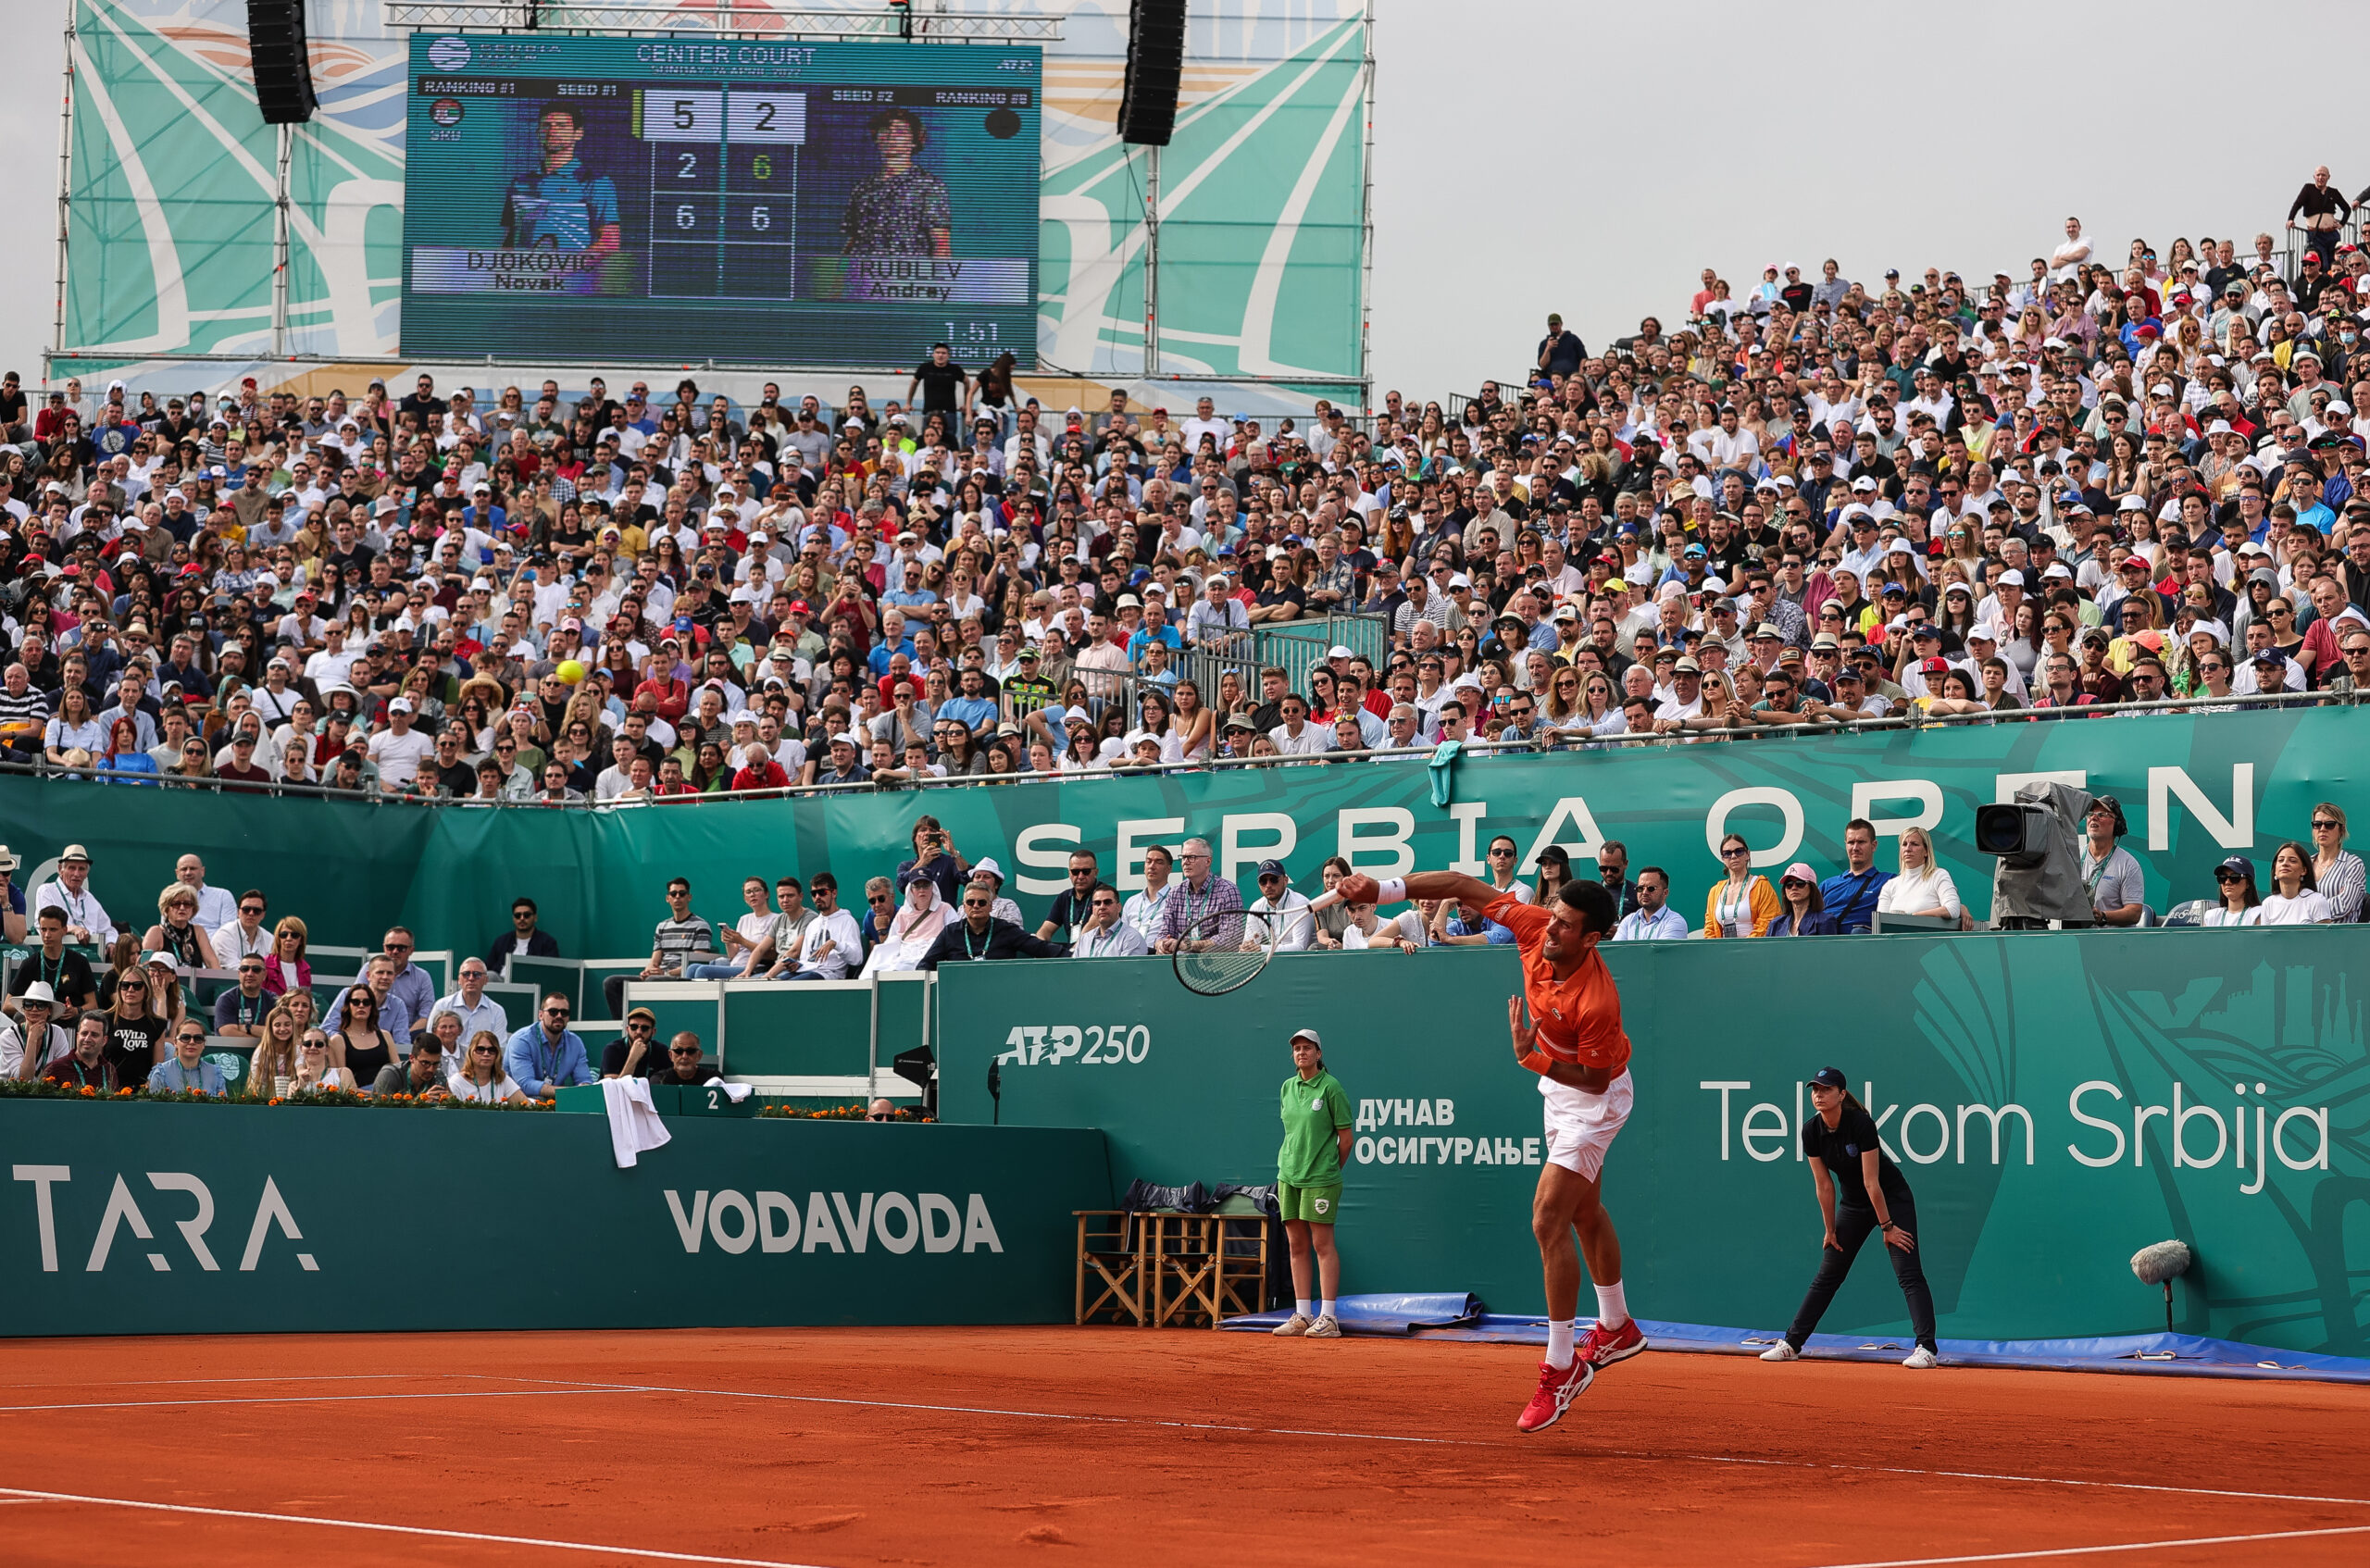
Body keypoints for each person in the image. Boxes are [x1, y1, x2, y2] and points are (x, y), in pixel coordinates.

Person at [1332, 867, 1639, 1433]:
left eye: (1566, 926)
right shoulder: (1538, 925)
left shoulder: (1596, 1000)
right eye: (1553, 917)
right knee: (1584, 1211)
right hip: (1558, 1089)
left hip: (1594, 1100)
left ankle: (1562, 1364)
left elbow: (1595, 1083)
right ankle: (1617, 1325)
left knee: (1548, 1220)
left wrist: (1534, 1058)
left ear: (1592, 938)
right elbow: (1462, 885)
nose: (1551, 931)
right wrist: (1383, 890)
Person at [1759, 1066, 1939, 1369]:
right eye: (1815, 1090)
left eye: (1826, 1089)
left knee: (1908, 1273)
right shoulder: (1810, 1131)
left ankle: (1927, 1348)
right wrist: (1830, 1230)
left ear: (1841, 1095)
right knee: (1828, 1275)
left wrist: (1889, 1228)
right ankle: (1792, 1343)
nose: (1819, 1095)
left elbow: (1872, 1182)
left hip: (1891, 1200)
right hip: (1854, 1205)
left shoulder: (1862, 1125)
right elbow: (1824, 1184)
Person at [1269, 1027, 1353, 1341]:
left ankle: (1328, 1317)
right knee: (1296, 1245)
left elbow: (1345, 1140)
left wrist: (1329, 1168)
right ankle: (1302, 1314)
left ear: (1319, 1054)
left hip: (1321, 1178)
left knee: (1322, 1245)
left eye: (1307, 1048)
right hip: (1288, 1176)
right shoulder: (1287, 1088)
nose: (1301, 1052)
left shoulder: (1331, 1088)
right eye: (1297, 1049)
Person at [502, 102, 621, 253]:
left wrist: (567, 268)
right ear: (538, 132)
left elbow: (610, 242)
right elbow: (509, 238)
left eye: (561, 126)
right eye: (546, 125)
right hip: (525, 274)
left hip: (573, 275)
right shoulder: (519, 183)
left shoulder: (596, 183)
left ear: (578, 133)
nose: (552, 131)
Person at [845, 108, 952, 257]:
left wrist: (939, 277)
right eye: (885, 130)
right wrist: (839, 276)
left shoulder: (928, 185)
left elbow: (941, 242)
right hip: (862, 273)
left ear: (914, 141)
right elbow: (853, 239)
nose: (891, 136)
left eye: (900, 132)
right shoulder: (863, 187)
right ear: (877, 138)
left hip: (907, 273)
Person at [605, 877, 717, 1015]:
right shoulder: (662, 926)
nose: (677, 897)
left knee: (653, 980)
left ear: (689, 897)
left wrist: (666, 973)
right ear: (667, 898)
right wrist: (648, 971)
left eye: (682, 894)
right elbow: (655, 959)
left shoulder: (701, 925)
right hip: (659, 976)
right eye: (673, 894)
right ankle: (625, 1026)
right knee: (611, 982)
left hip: (682, 978)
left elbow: (696, 963)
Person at [916, 883, 1059, 967]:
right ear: (964, 907)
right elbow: (925, 966)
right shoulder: (950, 933)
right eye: (971, 902)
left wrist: (1075, 957)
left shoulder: (1006, 930)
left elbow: (1040, 948)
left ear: (991, 906)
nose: (976, 906)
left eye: (982, 902)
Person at [1152, 837, 1243, 953]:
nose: (1185, 862)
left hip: (1218, 963)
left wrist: (1187, 945)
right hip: (1183, 965)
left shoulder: (1227, 891)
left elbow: (1231, 940)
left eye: (1192, 857)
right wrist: (1162, 944)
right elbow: (1164, 933)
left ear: (1208, 861)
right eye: (1183, 857)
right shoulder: (1175, 893)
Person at [13, 907, 98, 1024]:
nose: (47, 935)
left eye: (52, 930)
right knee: (20, 1017)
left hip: (69, 1019)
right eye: (43, 929)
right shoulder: (30, 963)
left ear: (64, 930)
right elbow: (7, 1005)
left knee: (89, 1020)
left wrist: (77, 1010)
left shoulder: (79, 962)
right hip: (38, 1020)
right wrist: (32, 1009)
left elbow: (93, 1005)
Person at [505, 993, 594, 1098]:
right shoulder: (522, 1040)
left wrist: (584, 1087)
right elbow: (525, 1084)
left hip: (555, 1102)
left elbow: (584, 1080)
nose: (559, 1016)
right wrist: (569, 1092)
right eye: (553, 1012)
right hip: (518, 1103)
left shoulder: (575, 1042)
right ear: (541, 1015)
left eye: (564, 1012)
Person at [2079, 795, 2146, 927]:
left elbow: (2134, 912)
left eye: (2102, 814)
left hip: (2112, 942)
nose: (2093, 817)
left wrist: (2103, 916)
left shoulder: (2128, 864)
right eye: (2090, 814)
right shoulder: (2072, 856)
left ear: (2117, 825)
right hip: (2075, 940)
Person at [31, 843, 115, 947]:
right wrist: (73, 929)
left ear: (86, 873)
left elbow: (108, 930)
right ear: (60, 869)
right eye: (72, 868)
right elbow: (46, 925)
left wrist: (110, 943)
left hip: (91, 956)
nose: (76, 874)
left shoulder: (89, 898)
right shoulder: (47, 891)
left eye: (81, 869)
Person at [1816, 819, 1891, 934]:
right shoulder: (1827, 885)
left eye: (1861, 842)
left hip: (1862, 947)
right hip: (1825, 946)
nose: (1855, 848)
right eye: (1851, 842)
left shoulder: (1888, 881)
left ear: (1874, 845)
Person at [1873, 828, 1962, 924]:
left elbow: (1952, 910)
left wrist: (1914, 917)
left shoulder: (1938, 875)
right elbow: (1881, 923)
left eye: (1914, 844)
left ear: (1926, 851)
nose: (1908, 849)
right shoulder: (1890, 886)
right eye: (1904, 844)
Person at [786, 872, 864, 980]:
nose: (817, 897)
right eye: (814, 893)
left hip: (830, 975)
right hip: (809, 971)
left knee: (790, 986)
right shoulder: (812, 924)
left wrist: (835, 944)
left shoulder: (848, 921)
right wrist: (798, 965)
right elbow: (805, 959)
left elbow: (857, 958)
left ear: (834, 893)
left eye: (822, 892)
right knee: (776, 984)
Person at [1703, 832, 1778, 939]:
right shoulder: (1715, 891)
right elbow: (1710, 927)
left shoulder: (1761, 885)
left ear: (1747, 855)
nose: (1733, 856)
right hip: (1722, 952)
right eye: (1727, 853)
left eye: (1739, 851)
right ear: (1723, 859)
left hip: (1756, 950)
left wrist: (1744, 947)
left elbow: (1768, 922)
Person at [3, 982, 74, 1081]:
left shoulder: (57, 1033)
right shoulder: (8, 1036)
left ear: (49, 1010)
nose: (34, 1009)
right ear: (23, 1009)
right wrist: (32, 1039)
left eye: (41, 1005)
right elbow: (23, 1079)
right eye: (28, 1004)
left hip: (45, 1092)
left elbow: (64, 1071)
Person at [1241, 860, 1316, 952]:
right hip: (1273, 961)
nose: (1268, 885)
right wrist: (1247, 948)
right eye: (1263, 881)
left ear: (1285, 880)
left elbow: (1300, 948)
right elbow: (1250, 944)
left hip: (1303, 962)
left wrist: (1261, 948)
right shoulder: (1256, 908)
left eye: (1274, 880)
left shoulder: (1300, 904)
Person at [429, 958, 508, 1046]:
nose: (471, 978)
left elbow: (499, 1047)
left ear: (486, 980)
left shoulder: (497, 1011)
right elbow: (430, 1041)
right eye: (466, 974)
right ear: (459, 979)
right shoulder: (442, 1006)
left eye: (477, 974)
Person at [330, 983, 394, 1090]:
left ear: (371, 1006)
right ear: (348, 1006)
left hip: (388, 1093)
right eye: (355, 1002)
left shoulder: (385, 1035)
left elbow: (397, 1070)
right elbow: (341, 1082)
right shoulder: (338, 1040)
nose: (361, 1006)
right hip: (359, 1096)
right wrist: (372, 1095)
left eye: (366, 1002)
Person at [2307, 803, 2364, 923]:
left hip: (2341, 937)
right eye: (2317, 824)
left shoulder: (2353, 863)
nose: (2322, 829)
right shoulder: (2306, 864)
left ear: (2341, 829)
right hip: (2308, 937)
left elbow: (2343, 905)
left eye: (2329, 825)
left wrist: (2305, 910)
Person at [2259, 840, 2334, 925]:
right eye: (2281, 860)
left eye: (2293, 861)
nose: (2285, 864)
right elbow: (2265, 937)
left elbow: (2324, 937)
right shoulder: (2268, 903)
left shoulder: (2317, 900)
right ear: (2275, 870)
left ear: (2304, 870)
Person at [147, 1019, 228, 1095]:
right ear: (175, 1042)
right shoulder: (161, 1072)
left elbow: (223, 1108)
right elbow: (154, 1107)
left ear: (204, 1044)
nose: (192, 1042)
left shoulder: (215, 1072)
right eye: (185, 1037)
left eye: (198, 1038)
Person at [453, 1027, 531, 1104]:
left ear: (497, 1054)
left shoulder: (502, 1079)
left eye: (492, 1050)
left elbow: (527, 1106)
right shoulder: (457, 1082)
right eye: (480, 1049)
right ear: (471, 1053)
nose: (486, 1054)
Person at [245, 1001, 306, 1099]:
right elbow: (257, 1084)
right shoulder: (262, 1052)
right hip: (267, 1101)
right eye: (277, 1025)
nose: (282, 1029)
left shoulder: (298, 1050)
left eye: (287, 1024)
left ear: (293, 1026)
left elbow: (300, 1066)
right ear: (270, 1028)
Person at [41, 1014, 116, 1092]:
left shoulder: (109, 1070)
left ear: (104, 1041)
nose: (87, 1039)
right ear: (77, 1036)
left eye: (94, 1035)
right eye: (84, 1033)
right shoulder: (55, 1068)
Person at [488, 895, 561, 977]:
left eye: (526, 915)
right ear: (513, 919)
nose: (522, 918)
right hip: (501, 984)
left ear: (535, 917)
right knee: (489, 976)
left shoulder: (547, 942)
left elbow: (552, 972)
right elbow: (488, 967)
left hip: (531, 984)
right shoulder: (501, 941)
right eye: (518, 915)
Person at [1071, 883, 1149, 957]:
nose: (1102, 907)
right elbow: (1074, 969)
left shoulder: (1132, 938)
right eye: (1097, 903)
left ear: (1119, 907)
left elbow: (1128, 970)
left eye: (1107, 902)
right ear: (1093, 909)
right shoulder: (1084, 939)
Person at [1610, 866, 1687, 940]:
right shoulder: (1628, 921)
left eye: (1651, 888)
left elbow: (1661, 953)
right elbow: (1617, 952)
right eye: (1640, 888)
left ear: (1665, 893)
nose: (1644, 892)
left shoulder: (1675, 922)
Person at [1766, 864, 1840, 937]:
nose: (1794, 888)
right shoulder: (1775, 924)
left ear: (1812, 888)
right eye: (1789, 884)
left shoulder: (1825, 921)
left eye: (1800, 883)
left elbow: (1828, 948)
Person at [373, 1030, 451, 1099]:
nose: (431, 1069)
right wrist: (422, 1103)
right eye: (425, 1063)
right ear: (411, 1058)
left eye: (436, 1063)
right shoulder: (390, 1075)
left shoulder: (439, 1077)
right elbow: (383, 1113)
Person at [212, 953, 274, 1039]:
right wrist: (262, 1041)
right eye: (245, 969)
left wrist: (246, 1028)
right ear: (239, 973)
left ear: (264, 975)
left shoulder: (273, 999)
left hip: (265, 1051)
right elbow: (228, 1033)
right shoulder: (226, 999)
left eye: (256, 970)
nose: (249, 974)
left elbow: (278, 1031)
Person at [600, 1005, 666, 1077]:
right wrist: (633, 1057)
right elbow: (614, 1087)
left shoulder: (661, 1050)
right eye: (634, 1027)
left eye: (645, 1028)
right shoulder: (613, 1049)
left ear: (653, 1032)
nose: (639, 1032)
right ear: (627, 1029)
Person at [289, 1027, 359, 1095]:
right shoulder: (294, 1086)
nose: (313, 1047)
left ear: (327, 1050)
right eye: (308, 1044)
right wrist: (299, 1090)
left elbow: (352, 1104)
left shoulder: (342, 1074)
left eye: (319, 1044)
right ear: (301, 1049)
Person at [2201, 855, 2264, 927]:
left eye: (2234, 877)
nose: (2227, 882)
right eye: (2223, 878)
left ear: (2248, 883)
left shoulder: (2257, 914)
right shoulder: (2211, 917)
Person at [651, 1031, 723, 1087]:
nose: (684, 1056)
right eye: (678, 1051)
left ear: (699, 1055)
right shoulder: (660, 1080)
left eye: (690, 1051)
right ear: (670, 1055)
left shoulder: (713, 1078)